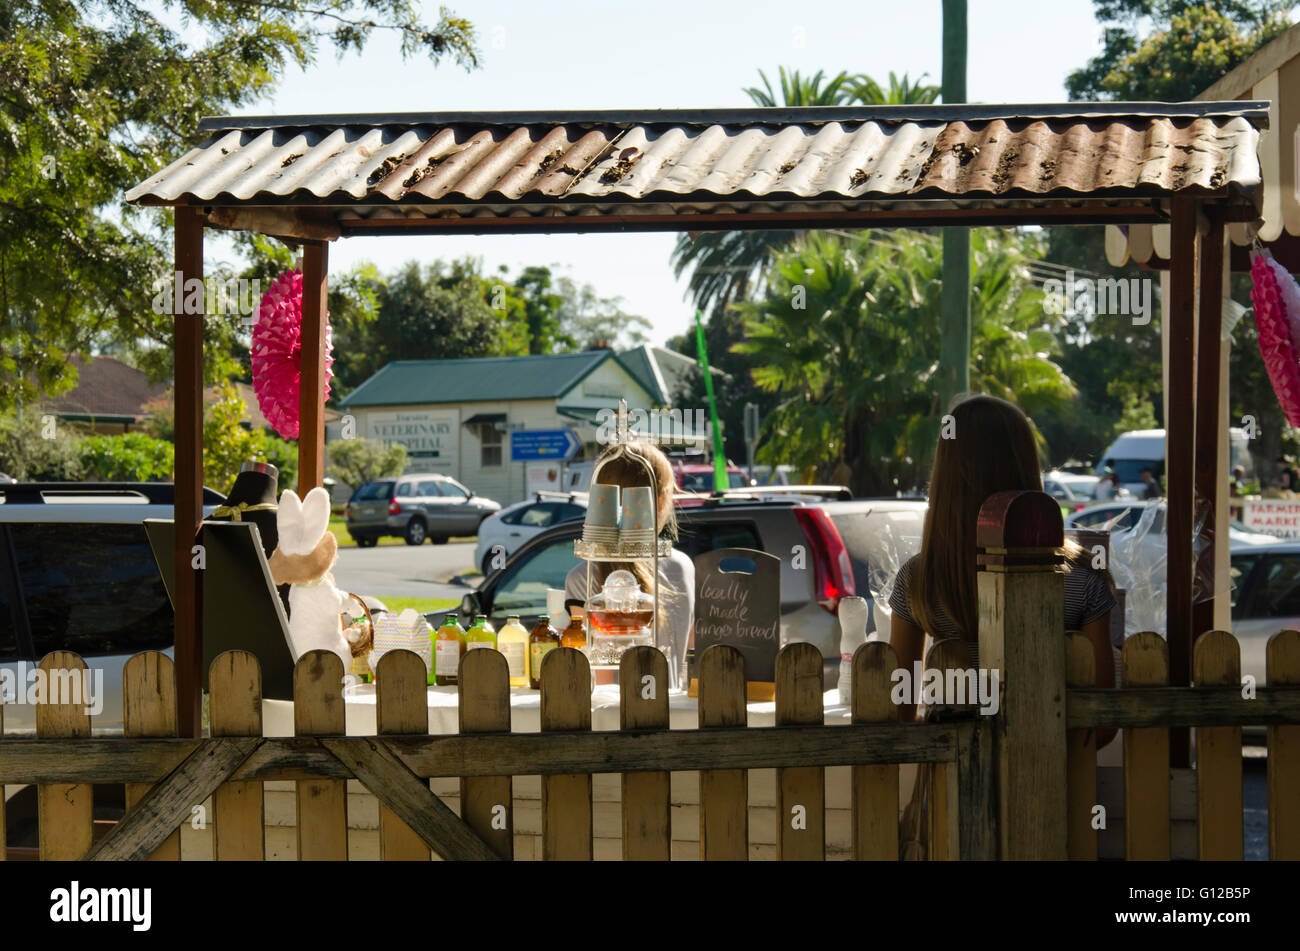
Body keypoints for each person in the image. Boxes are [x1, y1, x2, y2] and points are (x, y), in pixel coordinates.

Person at [888, 395, 1117, 724]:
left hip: (952, 774)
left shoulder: (921, 578)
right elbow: (1102, 724)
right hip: (1056, 775)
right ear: (1026, 466)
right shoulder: (1084, 578)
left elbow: (899, 713)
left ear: (945, 478)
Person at [564, 440, 694, 679]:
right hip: (672, 709)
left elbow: (596, 676)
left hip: (609, 713)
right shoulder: (683, 566)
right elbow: (688, 655)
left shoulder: (582, 578)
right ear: (662, 499)